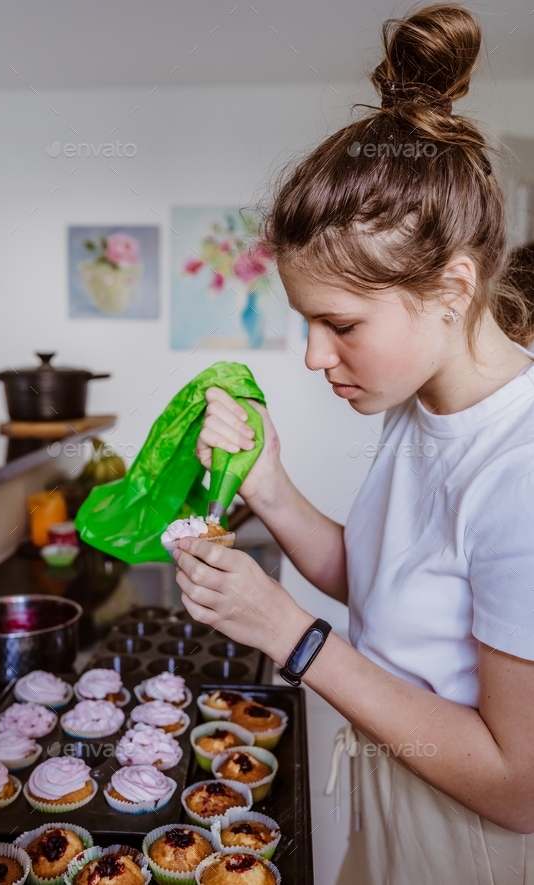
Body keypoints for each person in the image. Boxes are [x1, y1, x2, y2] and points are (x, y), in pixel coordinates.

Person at [172, 4, 534, 883]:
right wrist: (270, 484)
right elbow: (377, 579)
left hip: (472, 841)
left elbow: (518, 786)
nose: (312, 356)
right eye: (307, 322)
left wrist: (291, 634)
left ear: (452, 286)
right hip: (392, 789)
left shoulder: (520, 475)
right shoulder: (422, 407)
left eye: (339, 323)